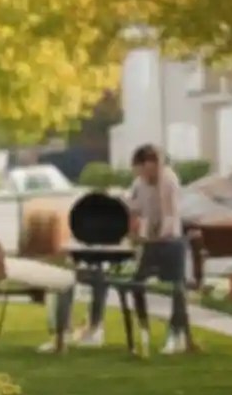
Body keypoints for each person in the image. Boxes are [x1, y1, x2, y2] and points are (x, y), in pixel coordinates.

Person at [43, 144, 190, 355]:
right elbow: (135, 207)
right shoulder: (140, 182)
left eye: (147, 168)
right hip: (149, 243)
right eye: (140, 169)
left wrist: (156, 236)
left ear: (155, 164)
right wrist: (114, 203)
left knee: (176, 289)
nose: (143, 173)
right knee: (127, 283)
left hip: (171, 242)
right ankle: (135, 331)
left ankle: (176, 335)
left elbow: (170, 214)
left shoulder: (168, 180)